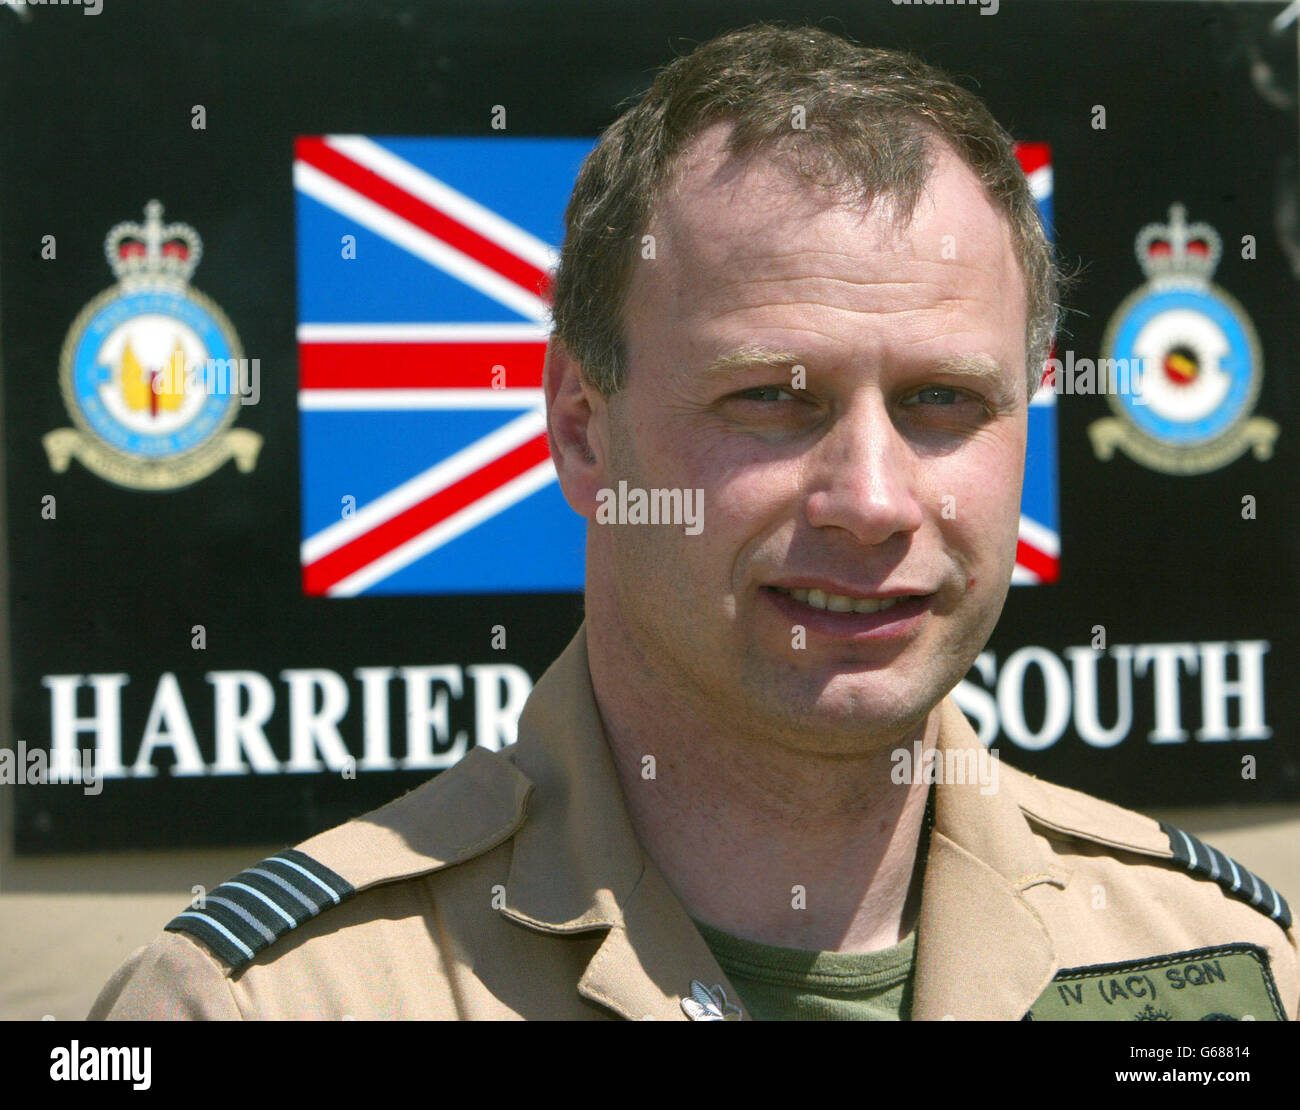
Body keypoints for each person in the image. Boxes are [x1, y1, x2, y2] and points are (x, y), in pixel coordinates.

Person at [90, 22, 1296, 1021]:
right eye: (770, 399)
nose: (872, 501)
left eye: (944, 401)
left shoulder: (1229, 970)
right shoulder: (279, 1002)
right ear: (581, 429)